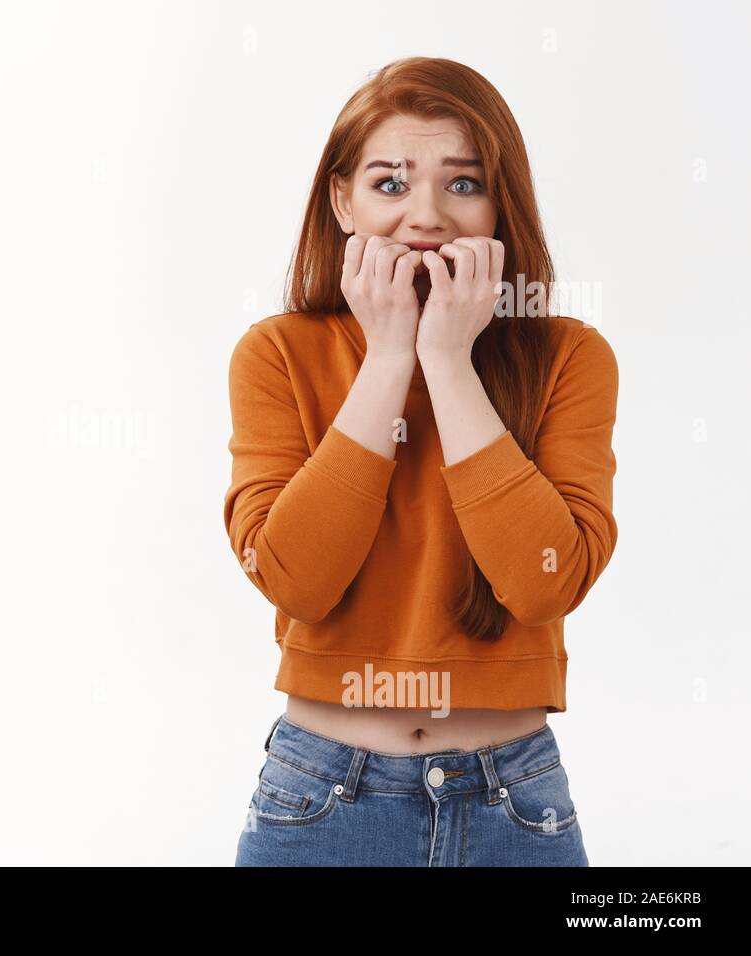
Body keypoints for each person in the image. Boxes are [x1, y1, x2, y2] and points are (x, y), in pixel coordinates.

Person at [224, 57, 618, 866]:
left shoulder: (571, 356)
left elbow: (545, 583)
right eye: (391, 184)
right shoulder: (277, 353)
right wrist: (388, 356)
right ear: (342, 201)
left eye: (463, 184)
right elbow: (297, 578)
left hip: (514, 805)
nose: (426, 215)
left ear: (501, 202)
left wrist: (448, 360)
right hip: (322, 800)